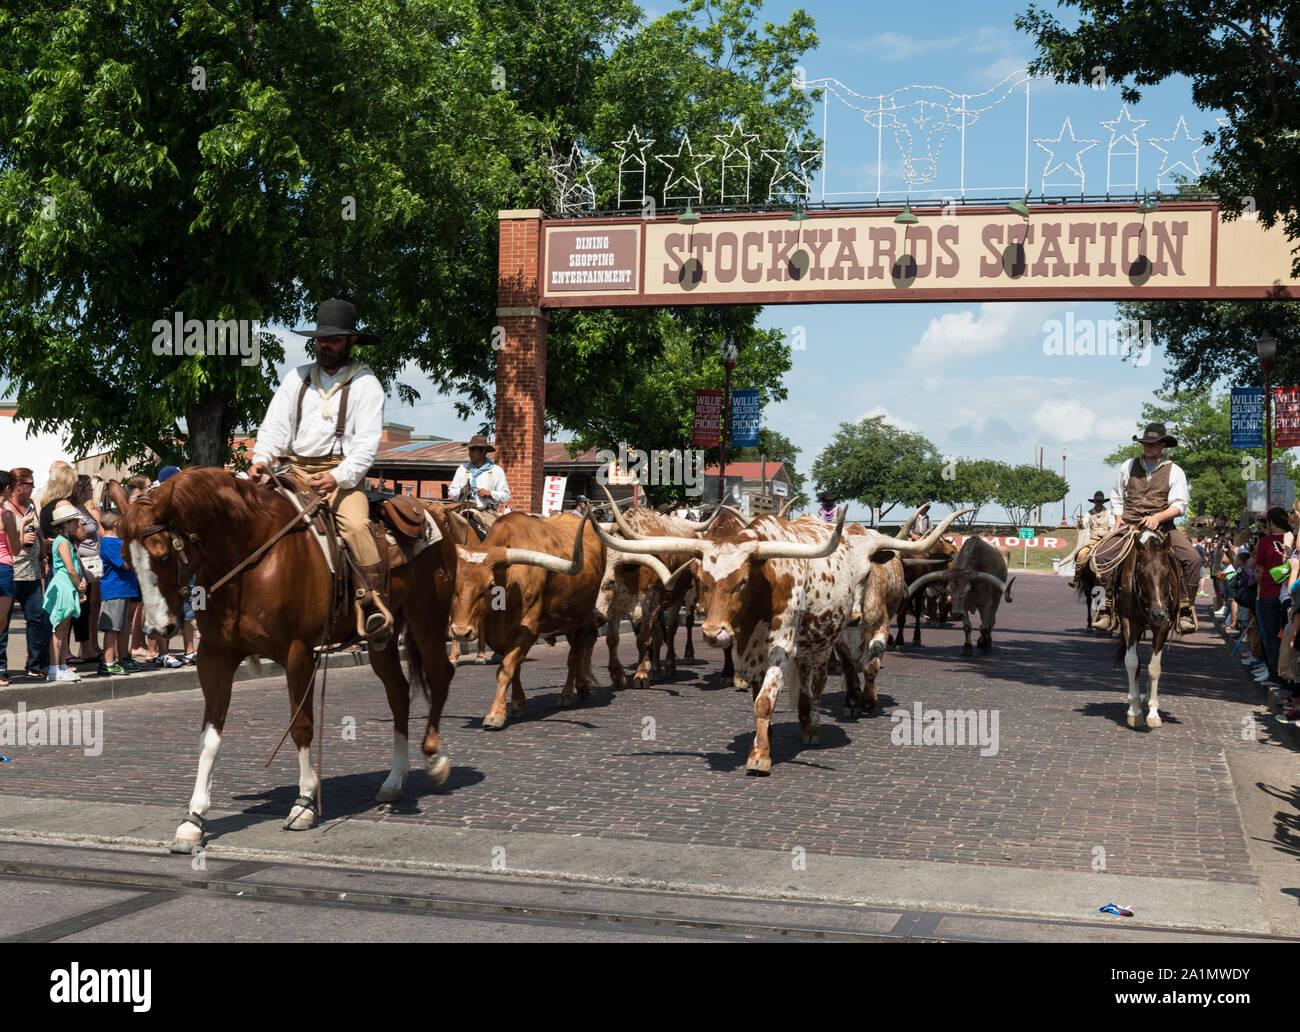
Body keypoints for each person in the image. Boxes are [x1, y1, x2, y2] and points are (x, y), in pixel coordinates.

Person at [248, 299, 393, 645]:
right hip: (293, 470)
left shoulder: (366, 384)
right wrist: (261, 459)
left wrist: (340, 477)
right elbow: (273, 429)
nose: (324, 345)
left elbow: (366, 446)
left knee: (357, 526)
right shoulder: (296, 378)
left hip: (341, 474)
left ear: (351, 341)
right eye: (320, 339)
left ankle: (373, 605)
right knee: (250, 515)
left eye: (334, 339)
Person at [1091, 422, 1201, 634]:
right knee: (1101, 555)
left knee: (1193, 559)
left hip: (1164, 527)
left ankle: (1185, 608)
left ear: (1162, 445)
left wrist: (1159, 516)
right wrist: (1118, 521)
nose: (1148, 446)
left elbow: (1179, 505)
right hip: (1130, 524)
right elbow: (1116, 495)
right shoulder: (1127, 466)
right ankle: (1106, 608)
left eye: (1153, 443)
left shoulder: (1174, 471)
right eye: (1145, 443)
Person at [1, 468, 48, 679]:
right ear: (18, 485)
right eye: (30, 483)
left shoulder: (31, 505)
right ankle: (2, 666)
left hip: (32, 569)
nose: (33, 487)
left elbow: (39, 532)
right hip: (12, 568)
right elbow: (13, 545)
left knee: (36, 617)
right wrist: (22, 539)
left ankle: (35, 664)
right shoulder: (5, 508)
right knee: (3, 621)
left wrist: (43, 556)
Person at [42, 501, 87, 682]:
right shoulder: (63, 543)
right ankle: (54, 668)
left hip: (67, 586)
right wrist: (79, 586)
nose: (77, 524)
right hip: (64, 586)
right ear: (65, 524)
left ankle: (60, 666)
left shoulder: (65, 541)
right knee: (59, 629)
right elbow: (70, 569)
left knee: (63, 628)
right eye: (74, 522)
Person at [96, 510, 143, 676]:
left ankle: (121, 658)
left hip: (124, 590)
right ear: (117, 524)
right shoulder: (109, 542)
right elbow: (124, 564)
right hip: (114, 590)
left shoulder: (118, 541)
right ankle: (107, 662)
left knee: (122, 627)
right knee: (112, 627)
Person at [67, 475, 103, 665]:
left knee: (95, 604)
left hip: (94, 559)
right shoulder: (73, 509)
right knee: (85, 604)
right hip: (83, 559)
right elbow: (76, 535)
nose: (91, 490)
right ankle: (84, 646)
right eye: (88, 487)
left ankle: (92, 643)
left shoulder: (85, 509)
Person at [1253, 507, 1291, 684]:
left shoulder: (1266, 542)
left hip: (1268, 592)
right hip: (1287, 594)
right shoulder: (1292, 538)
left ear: (1271, 522)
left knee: (1270, 636)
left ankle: (1274, 673)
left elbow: (1259, 570)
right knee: (1284, 637)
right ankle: (1284, 674)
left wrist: (1260, 580)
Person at [1066, 491, 1114, 587]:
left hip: (1106, 540)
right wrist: (1080, 523)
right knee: (1080, 554)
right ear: (1094, 502)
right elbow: (1084, 524)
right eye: (1097, 501)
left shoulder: (1109, 512)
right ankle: (1077, 578)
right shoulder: (1088, 513)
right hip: (1093, 540)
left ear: (1103, 502)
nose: (1098, 503)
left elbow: (1112, 526)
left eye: (1100, 501)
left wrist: (1108, 534)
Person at [449, 435, 510, 511]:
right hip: (462, 511)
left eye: (473, 450)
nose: (470, 453)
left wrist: (490, 493)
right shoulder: (462, 469)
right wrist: (461, 491)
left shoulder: (496, 471)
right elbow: (451, 492)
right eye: (470, 450)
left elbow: (506, 495)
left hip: (486, 512)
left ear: (483, 451)